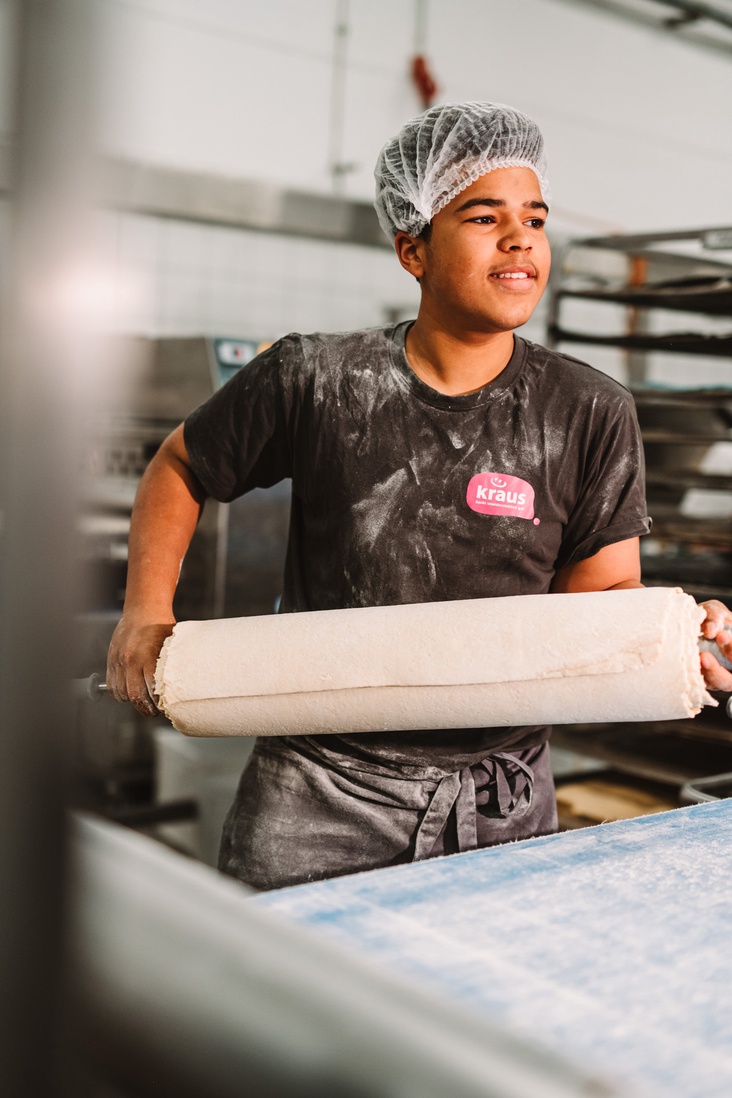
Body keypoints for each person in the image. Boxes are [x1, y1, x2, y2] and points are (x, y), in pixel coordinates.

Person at [107, 101, 732, 890]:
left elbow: (601, 599)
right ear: (413, 248)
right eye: (484, 217)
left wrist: (679, 635)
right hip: (322, 791)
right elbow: (180, 465)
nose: (520, 240)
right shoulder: (318, 379)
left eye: (535, 221)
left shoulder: (589, 410)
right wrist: (145, 611)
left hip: (501, 804)